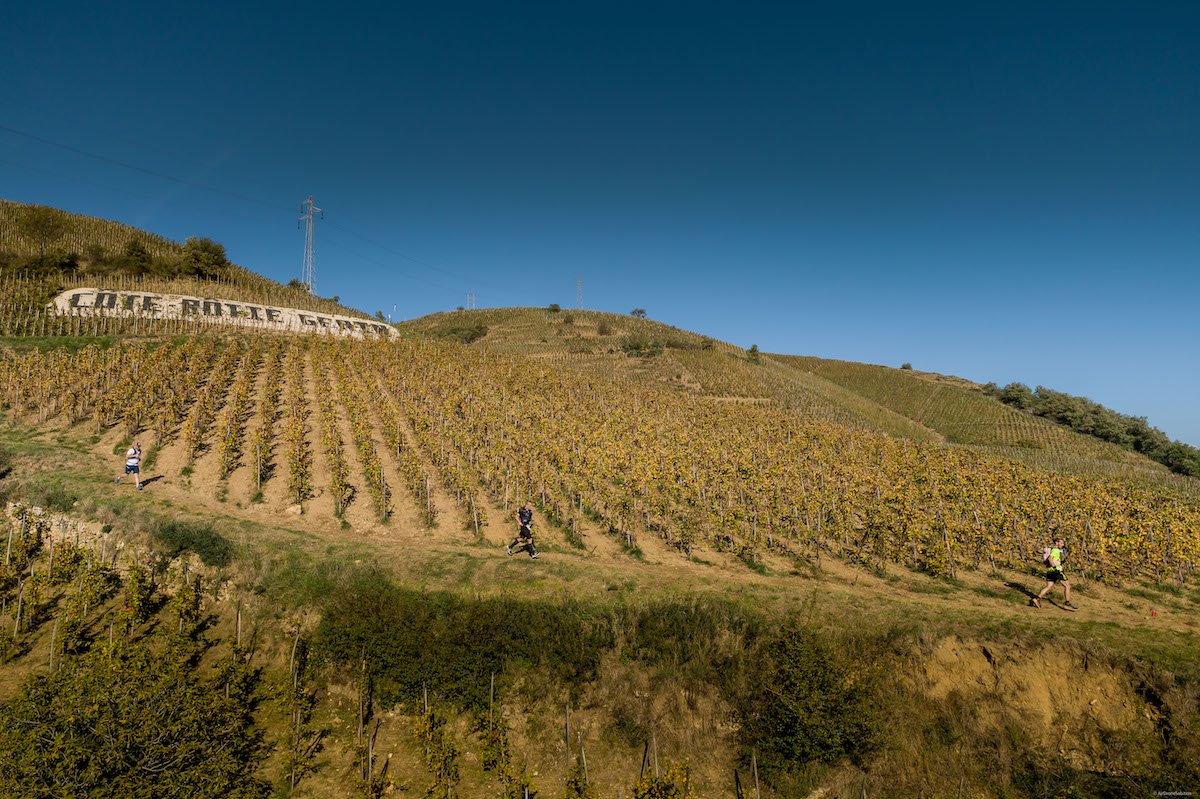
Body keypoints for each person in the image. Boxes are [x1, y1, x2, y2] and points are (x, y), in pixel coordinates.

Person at [1031, 536, 1074, 608]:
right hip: (1056, 570)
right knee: (1067, 586)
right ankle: (1067, 604)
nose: (1063, 545)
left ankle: (1037, 599)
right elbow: (1050, 558)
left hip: (1050, 570)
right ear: (1056, 543)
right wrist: (1055, 567)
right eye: (1061, 543)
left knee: (1049, 586)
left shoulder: (1052, 549)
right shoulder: (1055, 550)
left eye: (1063, 543)